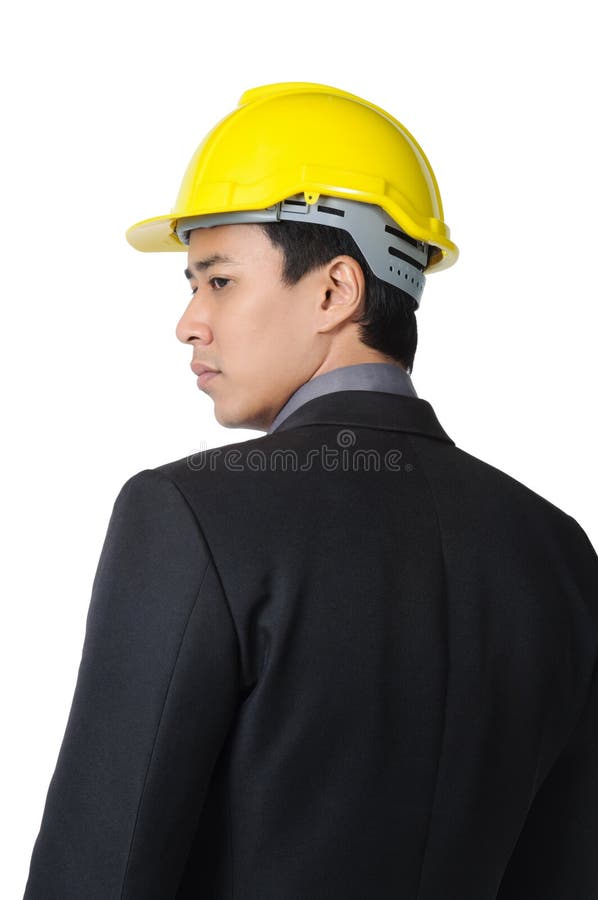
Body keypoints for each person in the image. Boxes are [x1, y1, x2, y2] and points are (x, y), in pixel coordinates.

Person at [23, 82, 598, 900]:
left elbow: (97, 875)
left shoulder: (190, 517)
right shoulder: (558, 550)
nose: (189, 321)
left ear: (335, 291)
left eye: (217, 280)